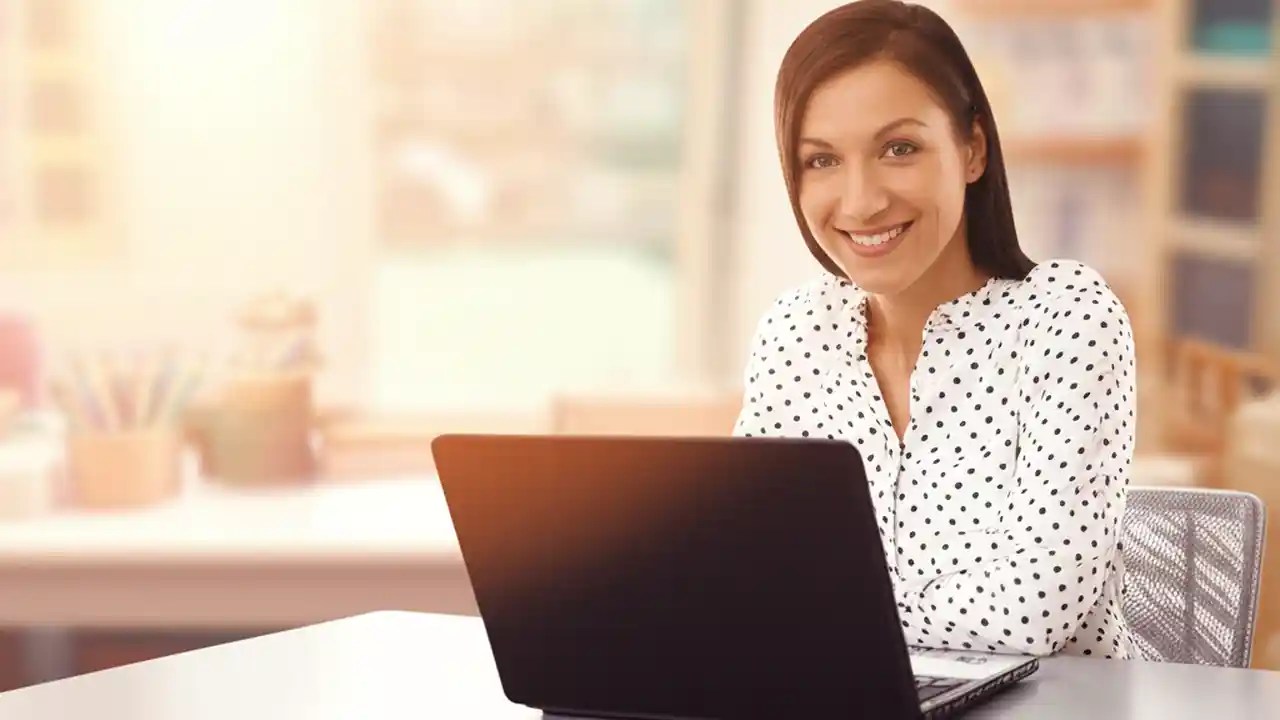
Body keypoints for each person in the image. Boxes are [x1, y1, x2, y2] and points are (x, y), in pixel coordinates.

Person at [733, 0, 1136, 659]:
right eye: (822, 160)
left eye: (899, 149)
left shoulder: (1066, 317)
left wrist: (814, 606)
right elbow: (740, 574)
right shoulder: (796, 334)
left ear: (972, 149)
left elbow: (1034, 611)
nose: (861, 201)